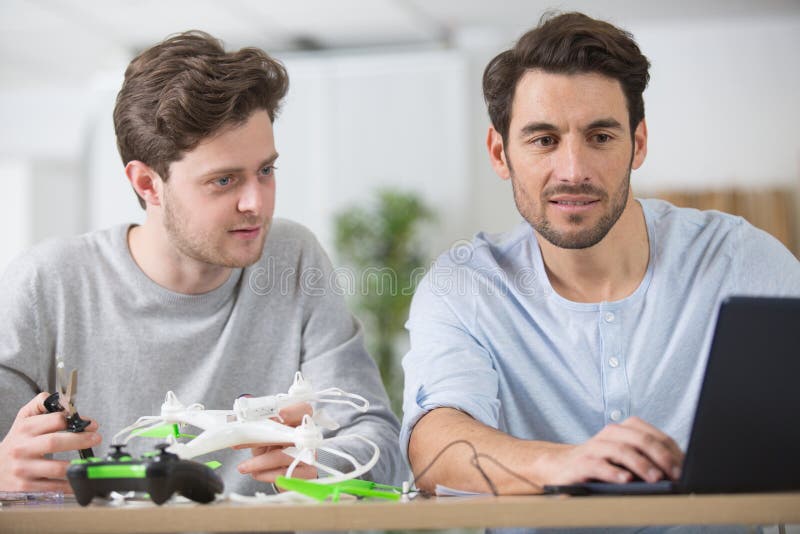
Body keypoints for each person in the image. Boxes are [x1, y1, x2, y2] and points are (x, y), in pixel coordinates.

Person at [401, 11, 800, 502]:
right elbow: (434, 451)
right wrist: (567, 462)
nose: (573, 170)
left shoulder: (737, 258)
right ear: (500, 153)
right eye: (544, 140)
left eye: (600, 137)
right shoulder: (463, 285)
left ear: (638, 144)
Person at [0, 31, 402, 495]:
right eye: (224, 180)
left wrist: (318, 460)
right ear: (148, 184)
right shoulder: (47, 283)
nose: (256, 202)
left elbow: (380, 444)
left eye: (266, 171)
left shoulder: (292, 258)